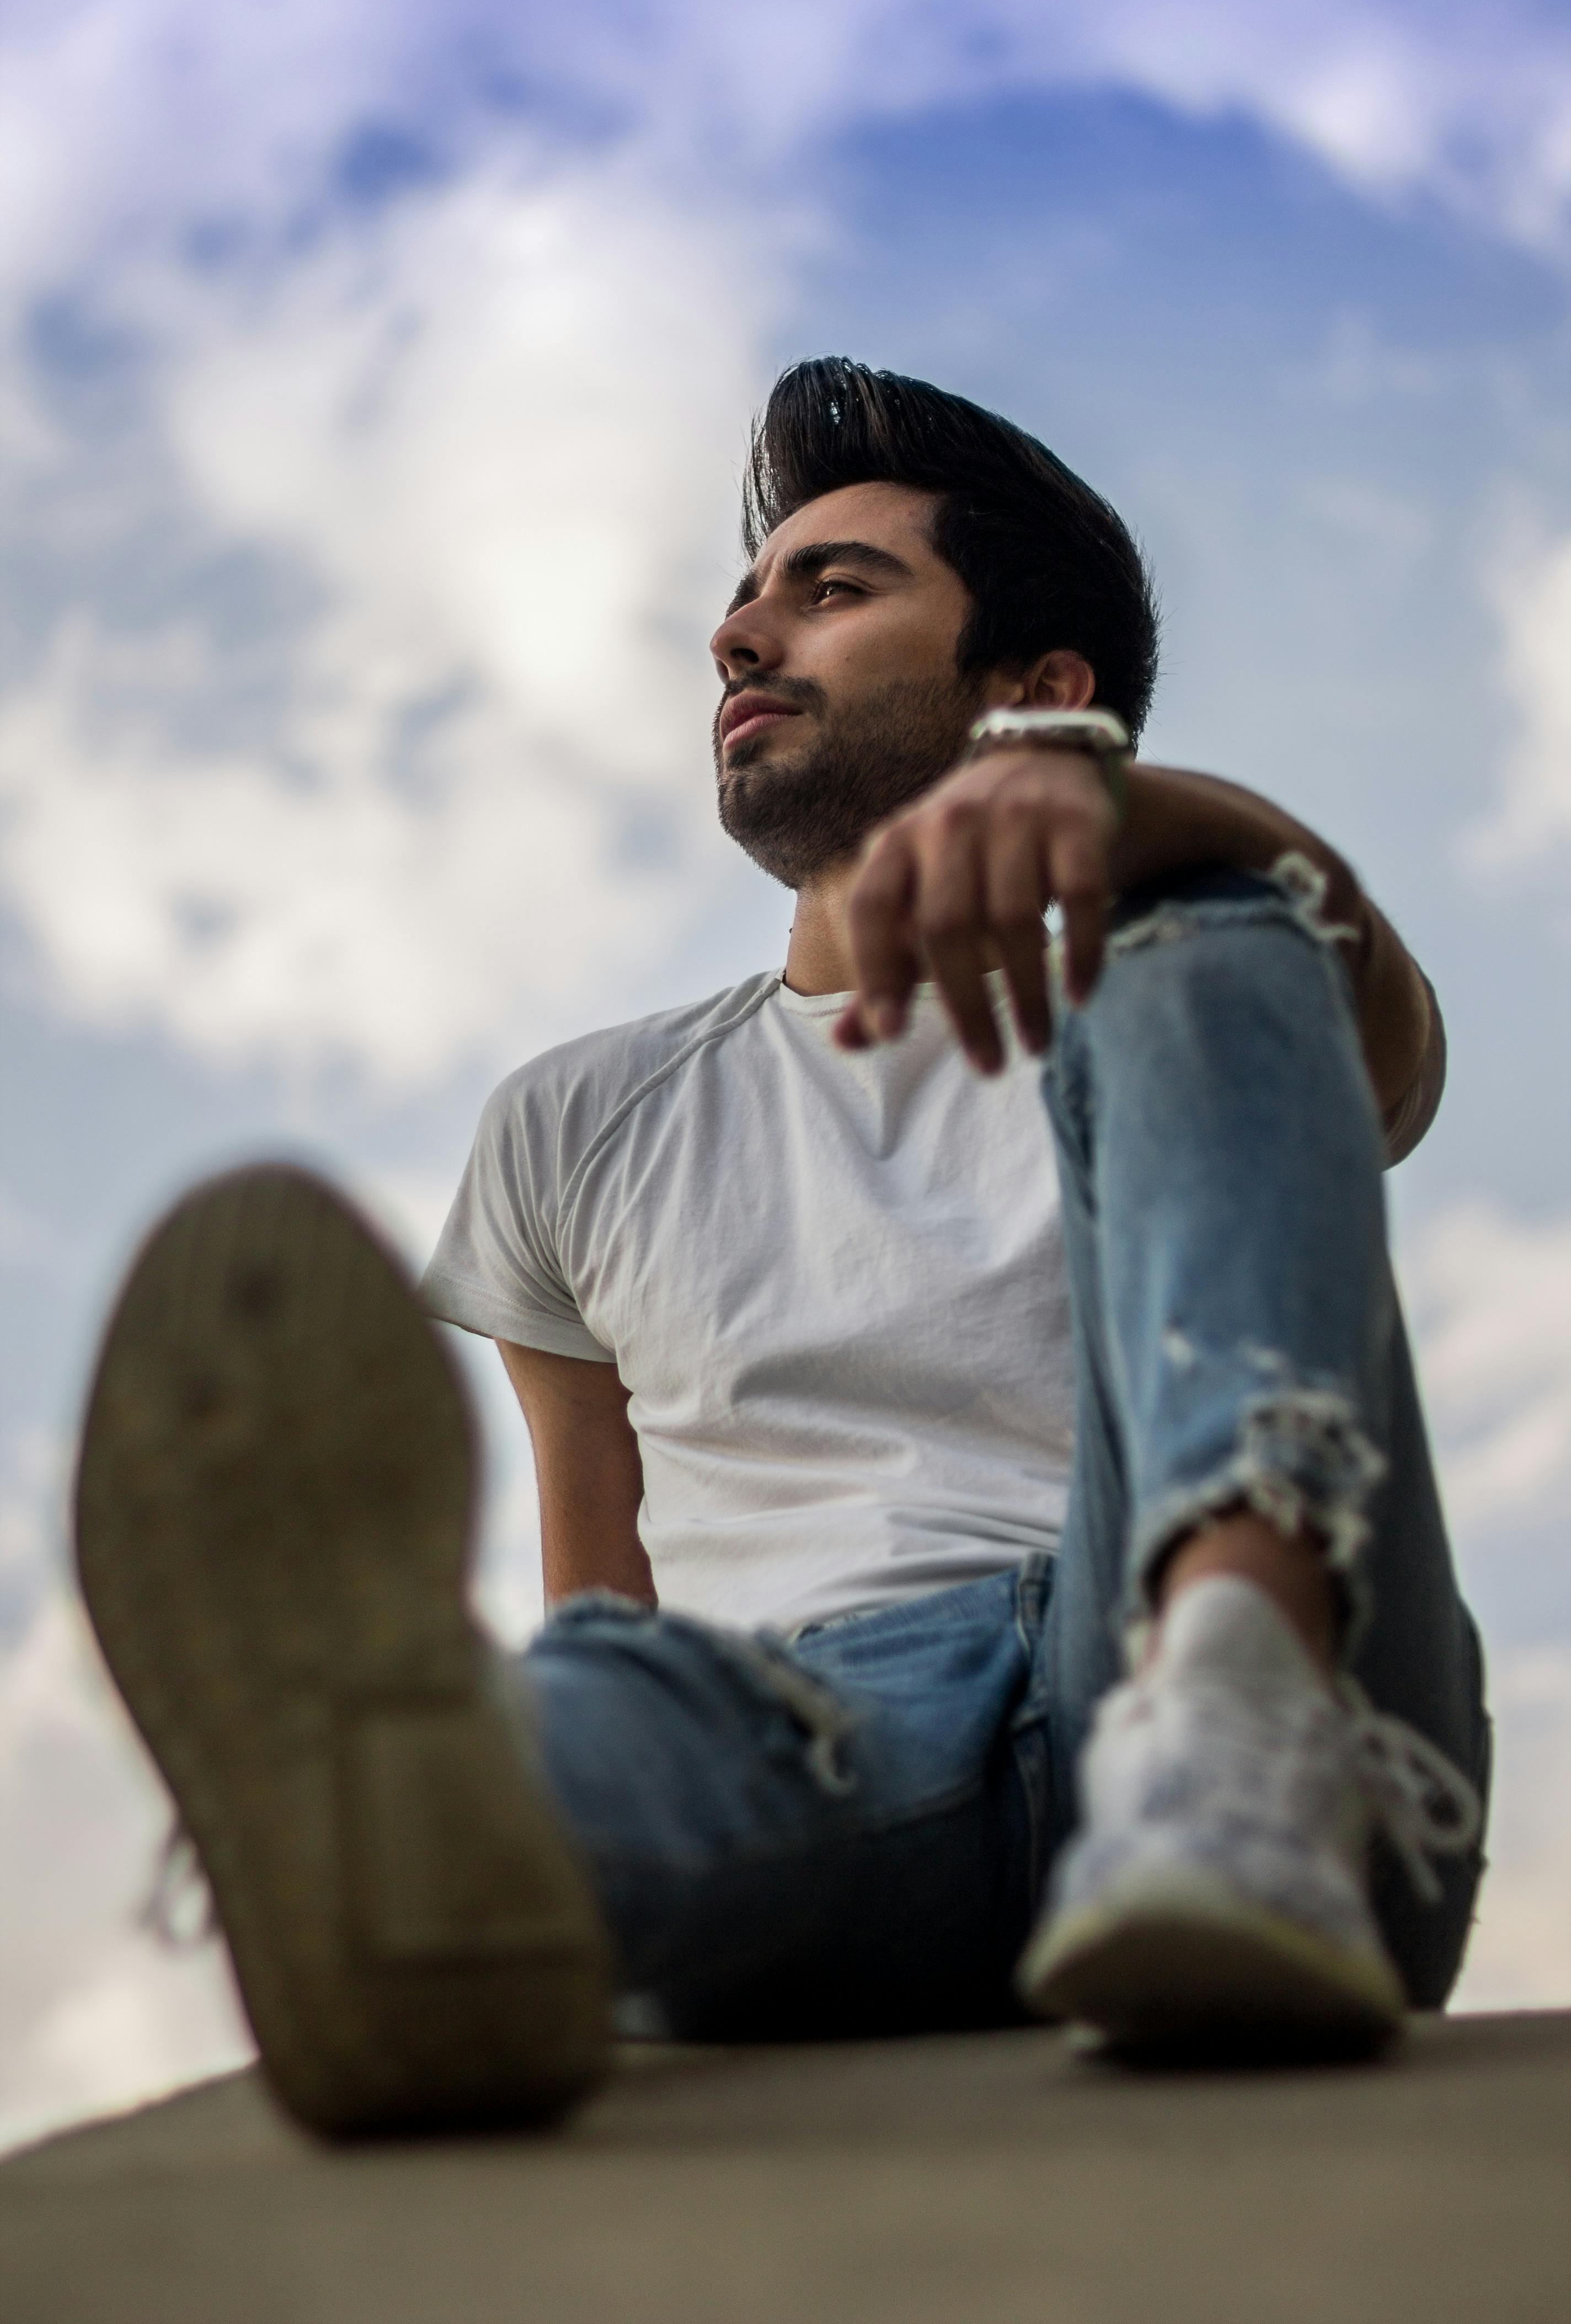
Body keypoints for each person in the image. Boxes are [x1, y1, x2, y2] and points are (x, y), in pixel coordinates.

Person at [75, 359, 1488, 2137]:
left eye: (834, 590)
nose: (744, 641)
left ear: (1040, 696)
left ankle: (1238, 1708)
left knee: (1215, 916)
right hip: (813, 1758)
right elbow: (606, 1581)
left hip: (1237, 1692)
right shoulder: (580, 1119)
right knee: (611, 1711)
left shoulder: (1210, 1003)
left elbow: (1391, 1041)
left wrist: (1155, 817)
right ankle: (438, 1843)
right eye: (743, 604)